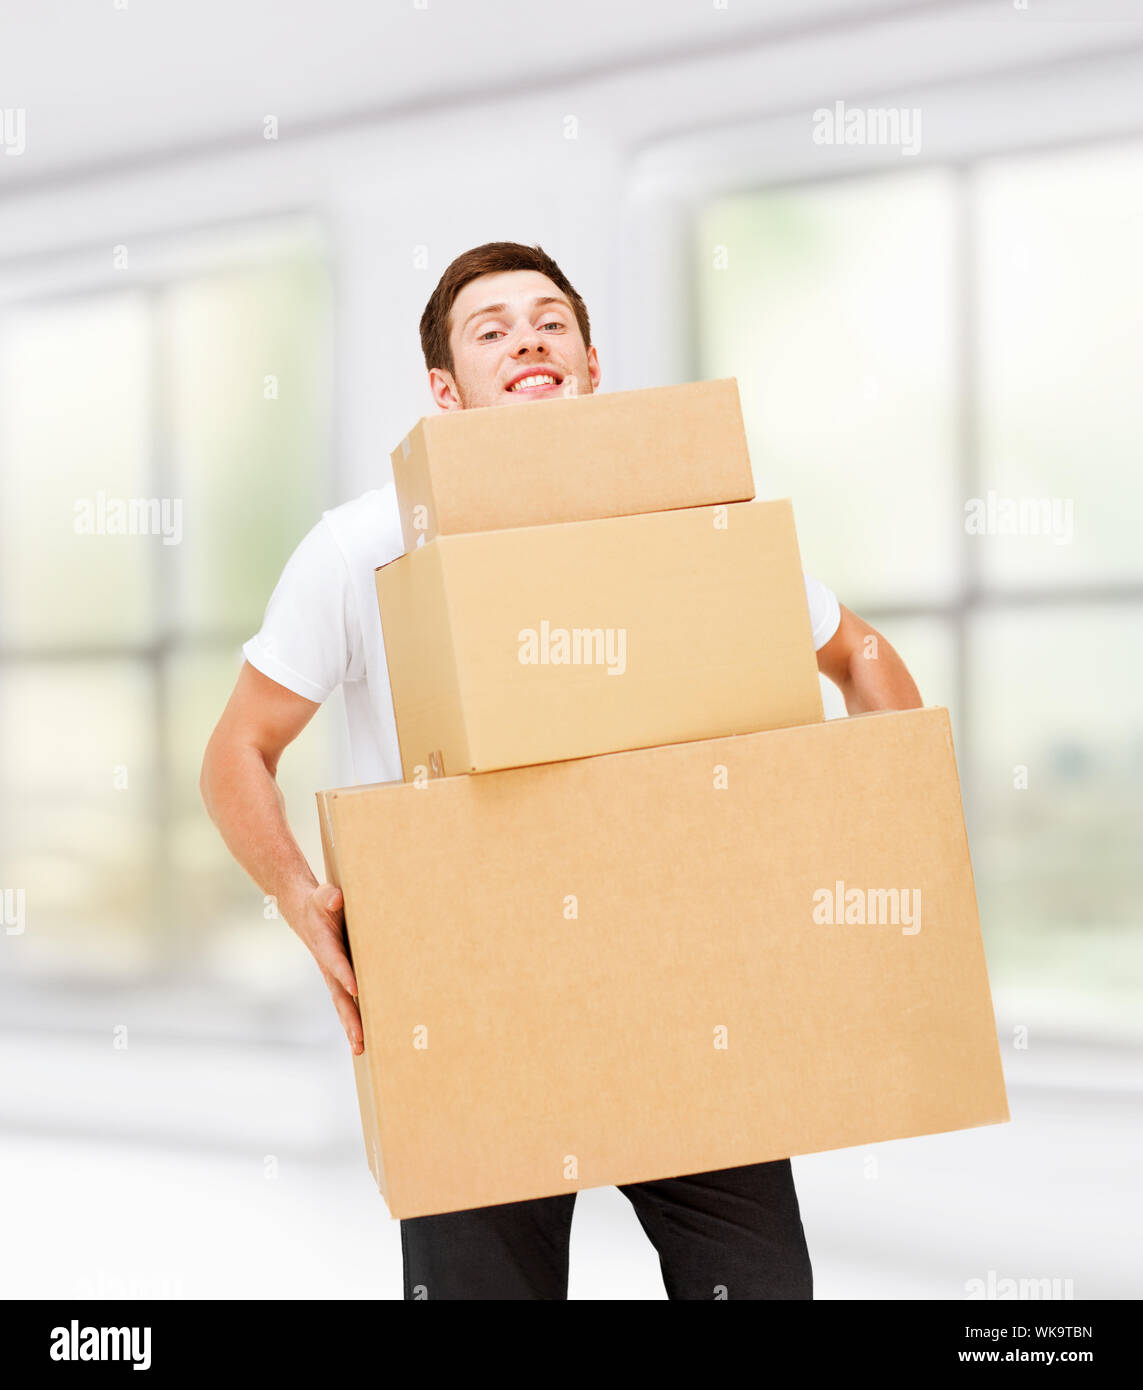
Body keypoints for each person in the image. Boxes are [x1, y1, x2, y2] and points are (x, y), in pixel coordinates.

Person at [200, 241, 923, 1300]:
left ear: (592, 365)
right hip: (469, 1003)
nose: (527, 337)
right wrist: (302, 900)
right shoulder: (360, 547)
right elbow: (237, 751)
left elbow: (859, 654)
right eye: (490, 330)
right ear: (445, 395)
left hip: (685, 990)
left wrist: (879, 829)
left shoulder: (683, 521)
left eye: (550, 321)